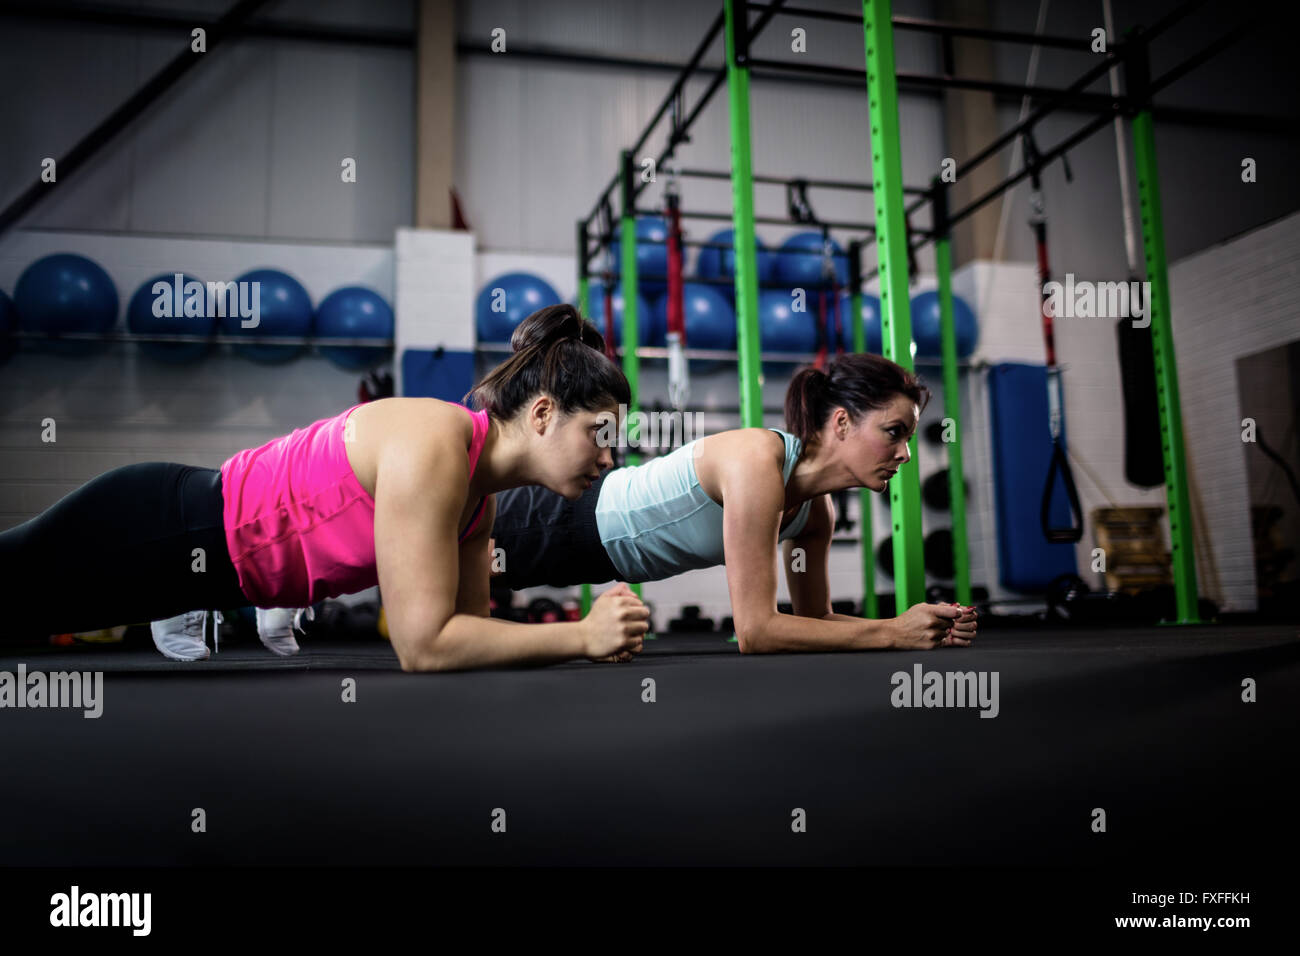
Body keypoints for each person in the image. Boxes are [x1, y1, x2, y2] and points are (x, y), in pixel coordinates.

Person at [0, 306, 651, 670]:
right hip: (161, 525)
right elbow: (424, 646)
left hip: (191, 572)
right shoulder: (435, 444)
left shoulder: (475, 508)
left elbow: (468, 635)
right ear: (541, 415)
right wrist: (579, 635)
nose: (608, 457)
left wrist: (589, 638)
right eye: (599, 433)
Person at [490, 352, 977, 652]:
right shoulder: (757, 460)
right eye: (894, 432)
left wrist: (916, 626)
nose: (906, 453)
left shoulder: (816, 515)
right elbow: (758, 633)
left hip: (590, 554)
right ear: (843, 424)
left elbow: (814, 621)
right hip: (559, 519)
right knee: (430, 588)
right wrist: (892, 634)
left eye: (909, 438)